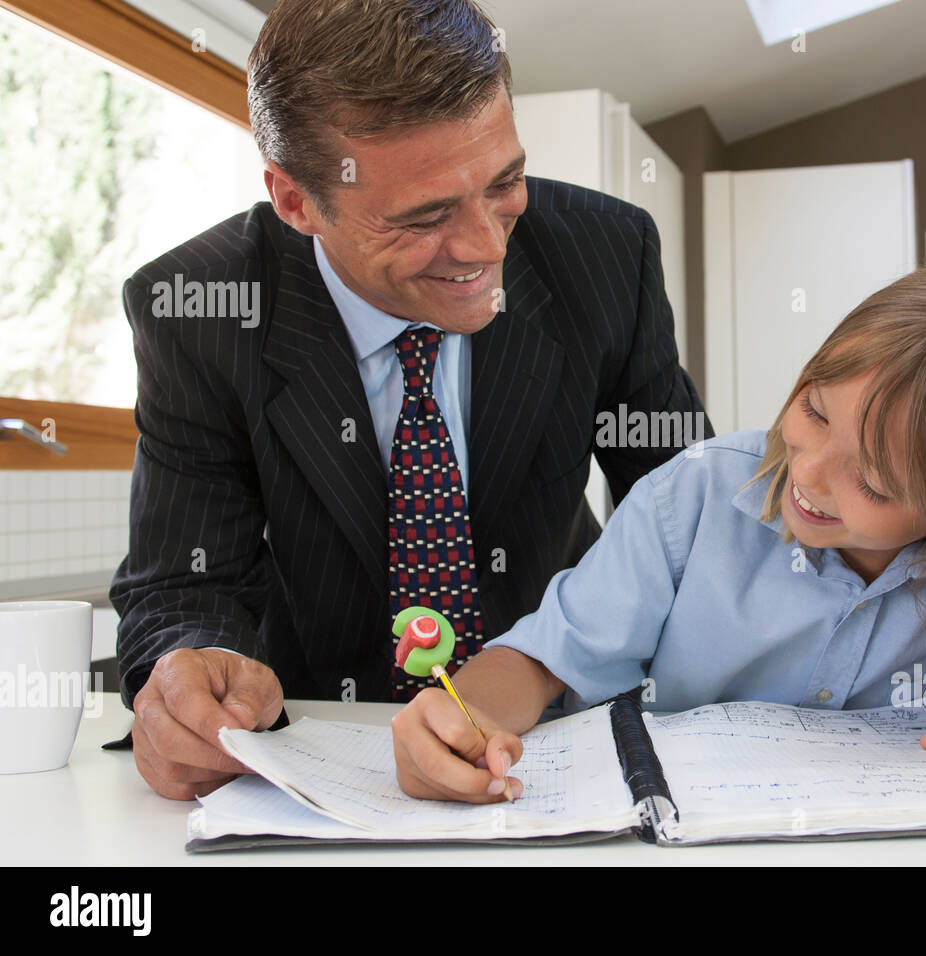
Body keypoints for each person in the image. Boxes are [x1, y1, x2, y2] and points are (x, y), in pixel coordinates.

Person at [110, 0, 709, 800]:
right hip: (326, 743)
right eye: (423, 217)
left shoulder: (606, 253)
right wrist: (189, 675)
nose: (486, 249)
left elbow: (688, 519)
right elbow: (182, 581)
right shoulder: (201, 306)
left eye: (505, 183)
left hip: (560, 734)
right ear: (295, 202)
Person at [390, 240, 926, 804]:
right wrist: (464, 713)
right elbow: (540, 661)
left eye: (876, 482)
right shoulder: (698, 497)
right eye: (813, 410)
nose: (806, 475)